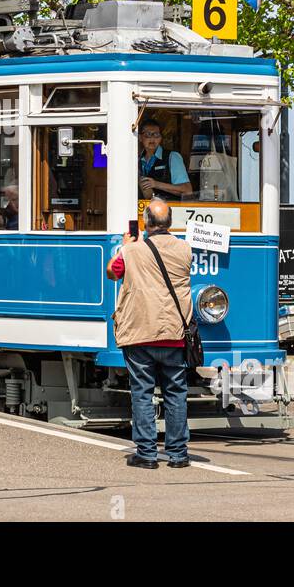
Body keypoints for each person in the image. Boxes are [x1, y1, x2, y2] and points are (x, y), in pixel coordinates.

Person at [106, 199, 193, 469]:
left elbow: (112, 272)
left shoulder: (132, 251)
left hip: (141, 332)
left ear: (146, 223)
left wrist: (126, 244)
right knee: (176, 392)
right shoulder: (185, 249)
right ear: (169, 223)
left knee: (142, 393)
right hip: (174, 332)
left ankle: (147, 453)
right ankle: (178, 455)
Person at [137, 118, 193, 201]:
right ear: (140, 137)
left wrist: (156, 184)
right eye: (148, 134)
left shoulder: (172, 157)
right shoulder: (136, 160)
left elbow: (187, 190)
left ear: (161, 138)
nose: (152, 139)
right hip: (143, 210)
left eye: (156, 135)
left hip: (169, 211)